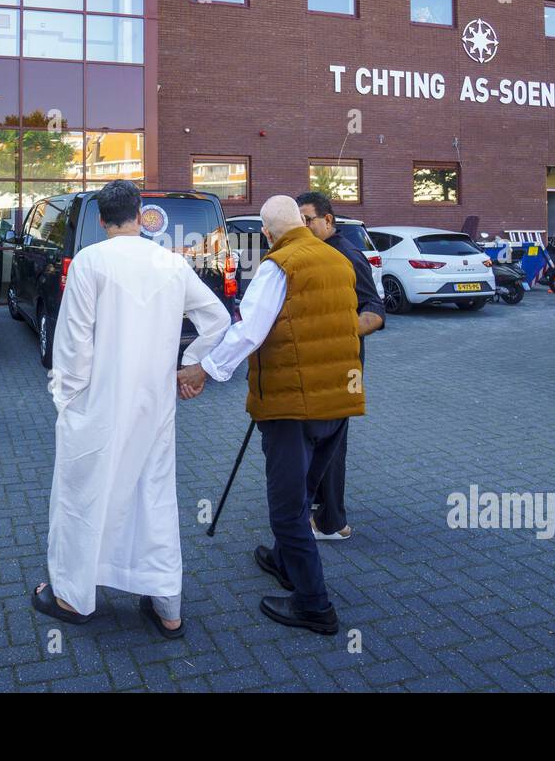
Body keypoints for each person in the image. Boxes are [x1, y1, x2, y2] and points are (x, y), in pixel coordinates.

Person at [31, 180, 230, 639]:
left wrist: (67, 401)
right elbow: (218, 319)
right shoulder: (172, 263)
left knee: (83, 498)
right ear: (141, 214)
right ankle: (167, 610)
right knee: (153, 497)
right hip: (154, 406)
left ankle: (73, 597)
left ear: (101, 220)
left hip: (98, 405)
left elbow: (74, 343)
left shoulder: (90, 262)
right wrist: (193, 364)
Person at [177, 195, 364, 635]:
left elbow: (250, 331)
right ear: (301, 221)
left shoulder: (279, 265)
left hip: (292, 406)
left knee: (287, 509)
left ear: (266, 232)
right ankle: (285, 563)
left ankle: (314, 605)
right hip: (337, 403)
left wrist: (203, 369)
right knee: (304, 490)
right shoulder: (337, 260)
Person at [294, 191, 384, 542]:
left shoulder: (347, 255)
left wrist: (334, 333)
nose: (302, 226)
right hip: (320, 365)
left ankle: (332, 521)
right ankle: (319, 510)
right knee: (318, 438)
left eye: (308, 220)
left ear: (327, 221)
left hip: (344, 367)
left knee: (332, 441)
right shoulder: (313, 253)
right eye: (297, 220)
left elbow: (374, 311)